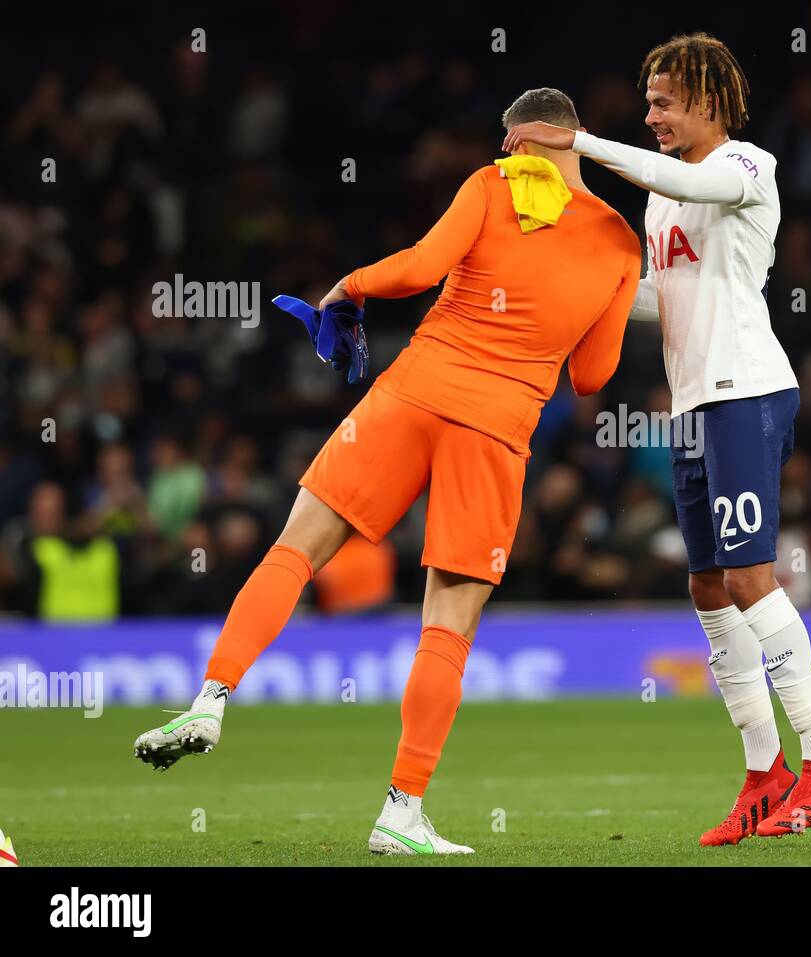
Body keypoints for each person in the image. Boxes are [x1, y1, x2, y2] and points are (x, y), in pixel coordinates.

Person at [133, 87, 642, 856]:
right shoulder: (620, 243)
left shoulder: (488, 184)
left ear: (523, 139)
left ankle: (210, 697)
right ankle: (401, 810)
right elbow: (594, 378)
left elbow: (422, 268)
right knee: (447, 626)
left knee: (293, 549)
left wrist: (350, 286)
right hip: (496, 428)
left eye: (508, 146)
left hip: (412, 390)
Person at [504, 33, 811, 845]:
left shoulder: (745, 168)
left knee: (751, 577)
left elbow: (677, 174)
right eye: (650, 102)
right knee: (708, 587)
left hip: (748, 392)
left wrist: (578, 143)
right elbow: (667, 296)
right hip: (695, 405)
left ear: (710, 99)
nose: (653, 114)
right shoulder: (666, 202)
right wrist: (580, 292)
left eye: (664, 101)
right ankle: (764, 772)